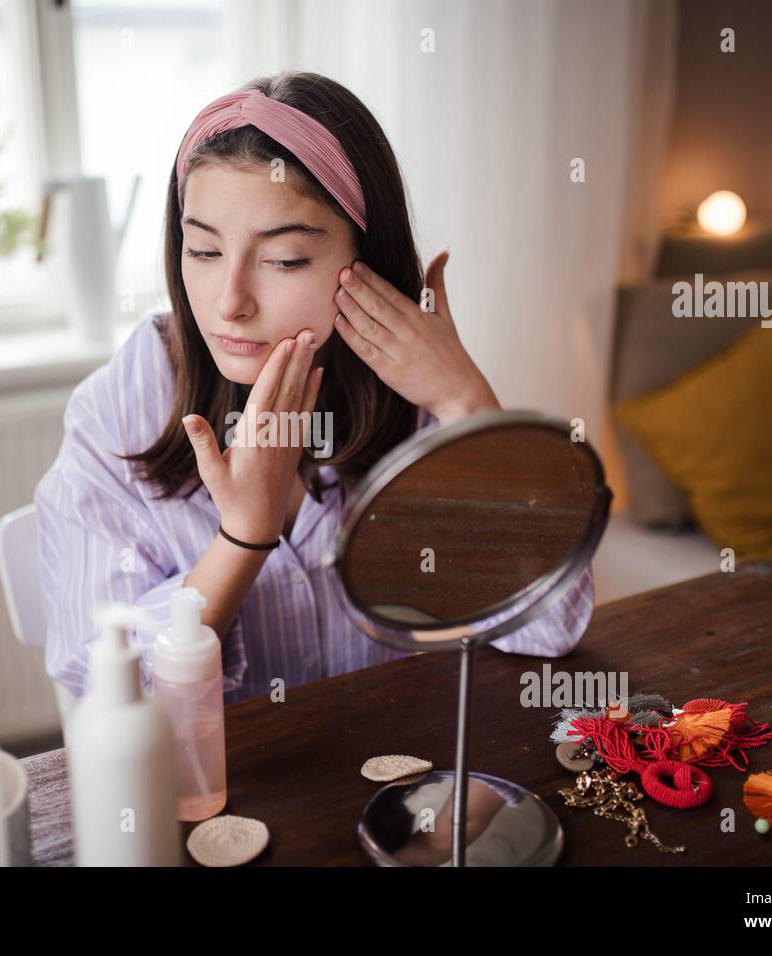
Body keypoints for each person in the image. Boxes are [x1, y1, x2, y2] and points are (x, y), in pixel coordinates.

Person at [35, 71, 594, 705]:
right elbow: (105, 688)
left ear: (366, 260)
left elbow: (552, 628)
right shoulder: (121, 408)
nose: (230, 303)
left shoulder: (418, 388)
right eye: (203, 251)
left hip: (401, 781)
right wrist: (244, 535)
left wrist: (468, 405)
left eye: (285, 261)